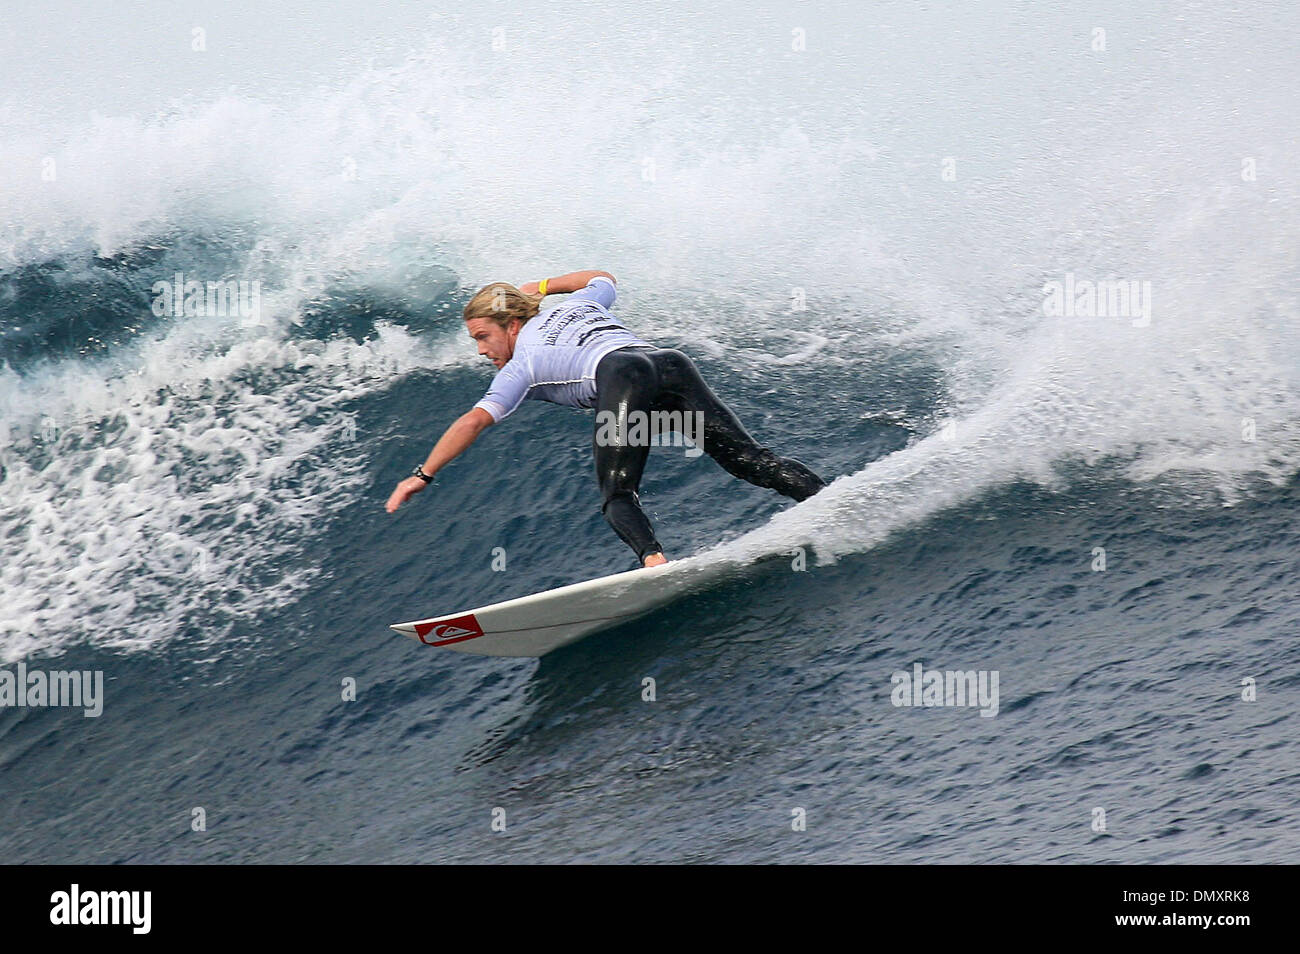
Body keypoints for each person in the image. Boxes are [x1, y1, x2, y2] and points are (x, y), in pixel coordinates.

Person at [385, 269, 827, 567]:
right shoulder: (574, 305)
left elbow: (473, 422)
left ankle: (655, 564)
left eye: (484, 336)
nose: (481, 350)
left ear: (513, 326)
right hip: (670, 366)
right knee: (750, 461)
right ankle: (830, 502)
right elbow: (604, 277)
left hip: (622, 376)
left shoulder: (524, 364)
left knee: (618, 495)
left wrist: (422, 475)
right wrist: (538, 287)